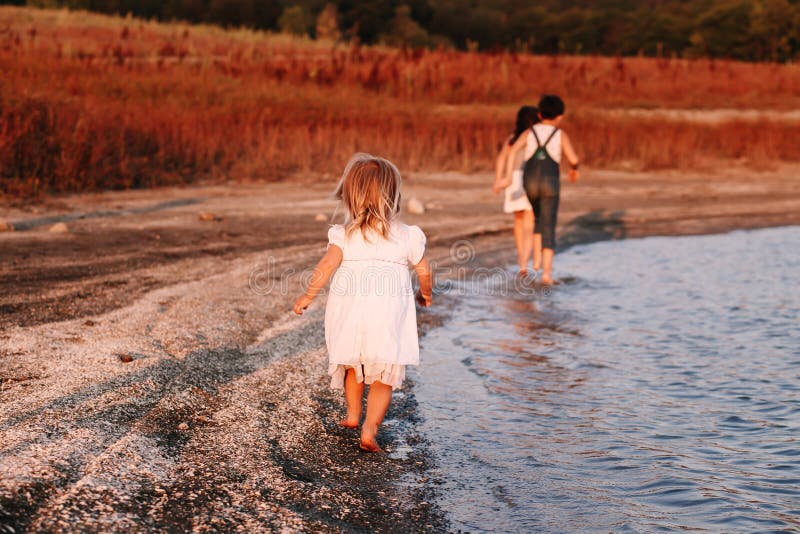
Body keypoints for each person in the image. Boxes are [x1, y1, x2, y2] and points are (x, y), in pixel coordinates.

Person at [293, 153, 433, 452]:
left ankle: (353, 414)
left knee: (352, 364)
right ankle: (370, 430)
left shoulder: (343, 235)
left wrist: (309, 295)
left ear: (350, 196)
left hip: (351, 312)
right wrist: (426, 293)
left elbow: (326, 266)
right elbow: (424, 271)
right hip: (387, 314)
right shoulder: (407, 236)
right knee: (384, 375)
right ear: (394, 196)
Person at [499, 94, 580, 285]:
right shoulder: (560, 135)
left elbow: (512, 151)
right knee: (548, 224)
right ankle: (546, 274)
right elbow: (574, 159)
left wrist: (509, 176)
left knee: (536, 218)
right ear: (560, 116)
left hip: (530, 182)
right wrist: (574, 170)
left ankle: (534, 264)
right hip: (550, 181)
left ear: (540, 113)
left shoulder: (530, 132)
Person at [492, 106, 540, 274]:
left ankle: (522, 262)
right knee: (529, 222)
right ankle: (526, 262)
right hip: (528, 178)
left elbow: (501, 158)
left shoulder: (512, 138)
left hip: (512, 180)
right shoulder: (533, 136)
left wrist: (498, 179)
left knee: (518, 221)